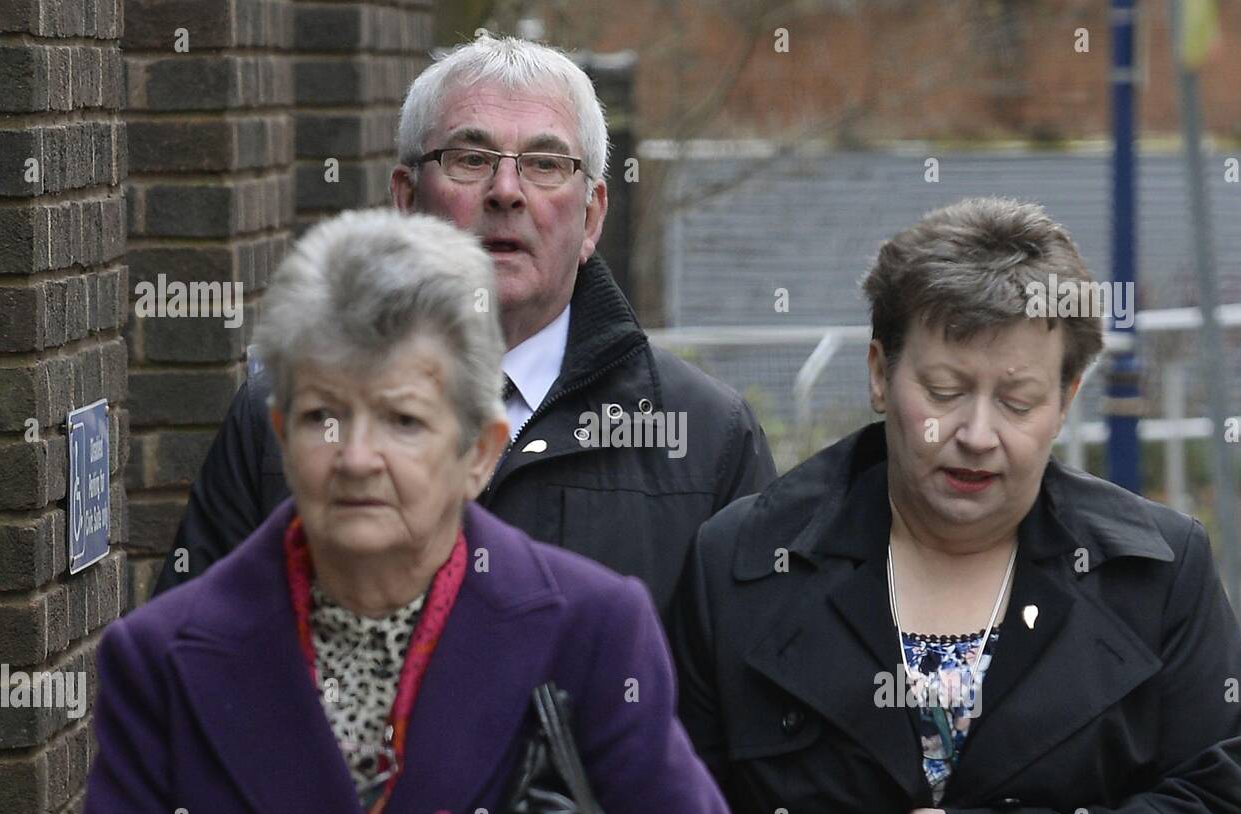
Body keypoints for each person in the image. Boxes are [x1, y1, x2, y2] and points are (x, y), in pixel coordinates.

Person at [54, 210, 734, 814]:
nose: (355, 457)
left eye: (402, 421)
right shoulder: (160, 659)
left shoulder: (593, 632)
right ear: (281, 437)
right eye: (323, 416)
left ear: (478, 452)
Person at [669, 197, 1241, 814]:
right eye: (946, 389)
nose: (977, 436)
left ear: (1066, 402)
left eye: (1018, 401)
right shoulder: (741, 564)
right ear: (879, 373)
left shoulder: (1156, 574)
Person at [152, 34, 776, 618]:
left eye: (545, 164)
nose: (506, 191)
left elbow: (736, 718)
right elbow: (188, 684)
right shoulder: (279, 415)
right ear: (405, 199)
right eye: (470, 159)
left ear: (592, 218)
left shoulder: (705, 438)